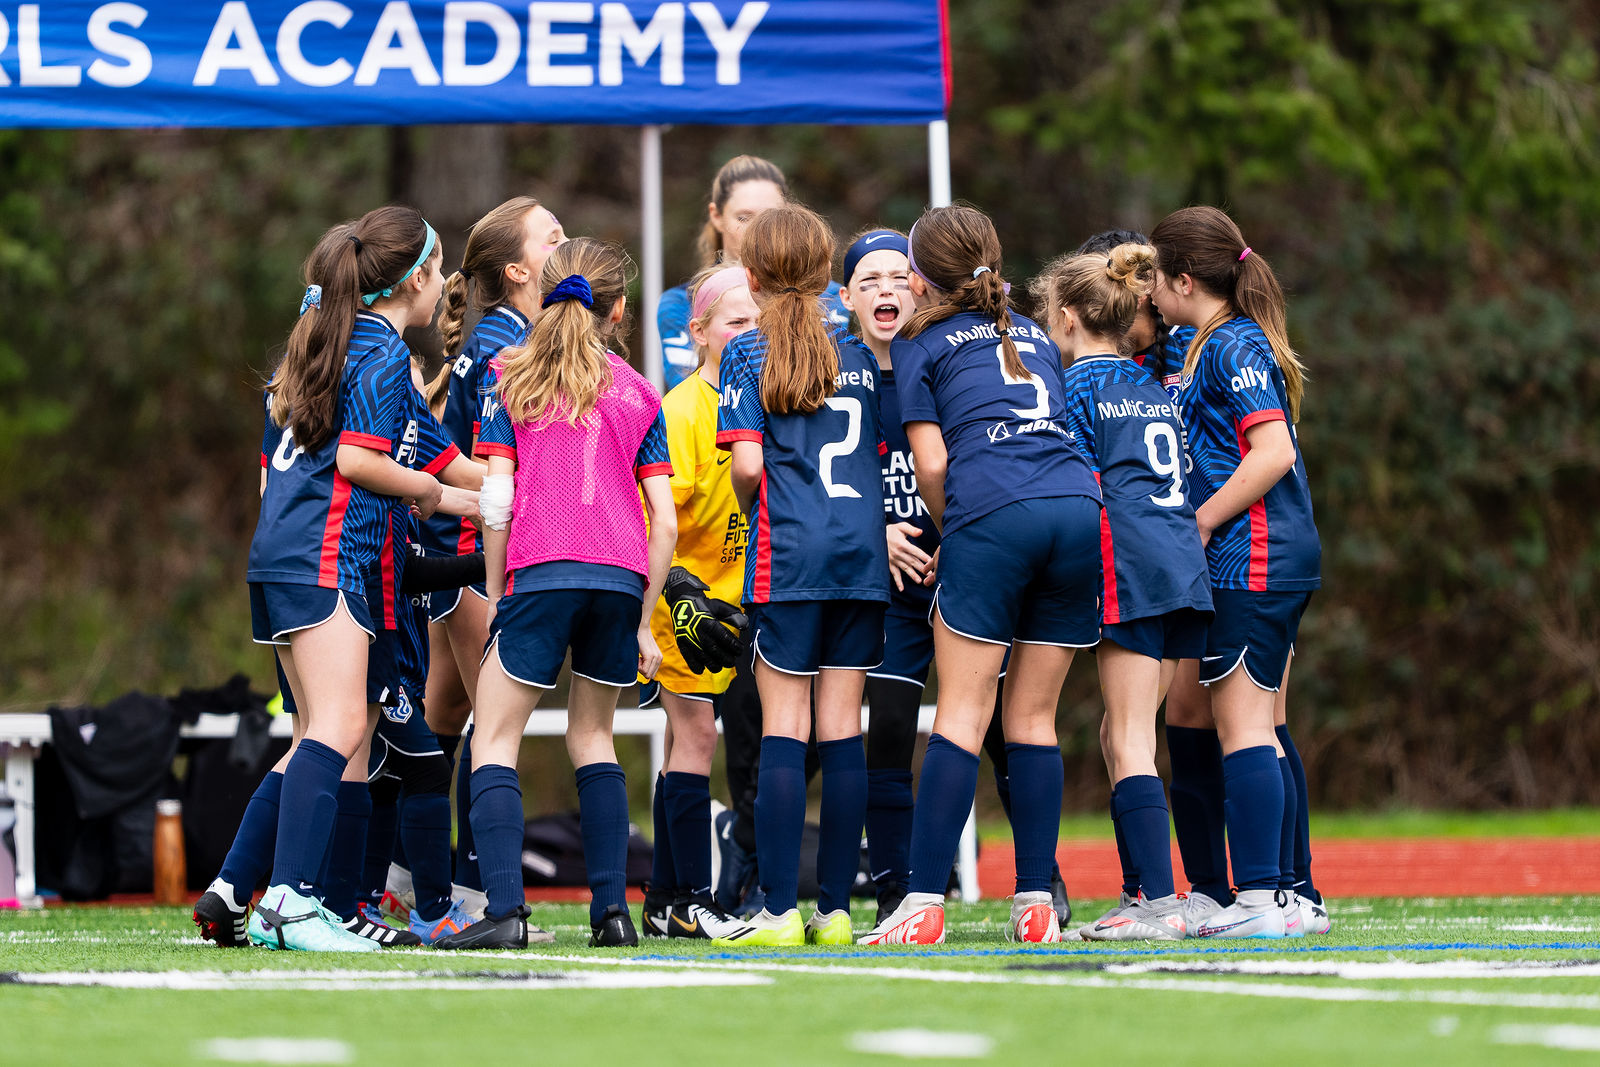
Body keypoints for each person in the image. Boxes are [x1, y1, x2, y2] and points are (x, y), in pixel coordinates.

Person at [860, 205, 1102, 947]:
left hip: (996, 514)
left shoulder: (919, 338)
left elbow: (932, 464)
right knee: (1032, 721)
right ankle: (1036, 904)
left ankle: (921, 903)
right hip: (1077, 510)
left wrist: (956, 526)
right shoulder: (1031, 331)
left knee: (962, 717)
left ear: (920, 279)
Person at [435, 238, 676, 950]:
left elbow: (497, 499)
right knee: (593, 738)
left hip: (540, 570)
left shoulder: (510, 378)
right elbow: (664, 521)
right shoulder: (640, 391)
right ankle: (612, 913)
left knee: (494, 738)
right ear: (619, 310)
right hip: (619, 578)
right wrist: (642, 619)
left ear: (543, 297)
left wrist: (494, 588)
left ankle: (505, 911)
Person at [239, 206, 451, 952]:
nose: (444, 284)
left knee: (316, 729)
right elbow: (361, 462)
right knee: (340, 725)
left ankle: (289, 899)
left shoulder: (324, 339)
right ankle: (289, 901)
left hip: (279, 554)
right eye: (438, 269)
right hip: (325, 557)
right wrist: (426, 490)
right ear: (413, 280)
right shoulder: (384, 351)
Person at [710, 205, 890, 948]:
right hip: (863, 556)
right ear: (826, 275)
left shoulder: (747, 351)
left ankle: (779, 910)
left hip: (789, 557)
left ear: (751, 277)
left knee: (786, 728)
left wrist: (752, 504)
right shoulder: (861, 353)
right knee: (843, 729)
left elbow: (749, 466)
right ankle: (836, 913)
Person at [1149, 205, 1323, 938]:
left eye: (1156, 276)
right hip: (1250, 558)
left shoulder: (1232, 343)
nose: (1150, 290)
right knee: (1248, 720)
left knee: (1247, 723)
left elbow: (1273, 451)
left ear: (1185, 280)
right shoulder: (1201, 342)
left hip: (1255, 555)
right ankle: (1289, 894)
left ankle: (1264, 897)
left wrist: (1203, 519)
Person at [1035, 244, 1213, 940]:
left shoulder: (1075, 388)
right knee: (1123, 731)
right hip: (1182, 568)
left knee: (1133, 735)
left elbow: (1076, 486)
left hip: (1131, 568)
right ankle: (1143, 890)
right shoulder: (1150, 384)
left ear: (1070, 318)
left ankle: (1159, 903)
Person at [418, 197, 567, 917]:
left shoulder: (515, 338)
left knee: (444, 713)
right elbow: (487, 468)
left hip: (466, 547)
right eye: (553, 238)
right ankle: (476, 896)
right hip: (477, 552)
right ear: (517, 270)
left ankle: (407, 878)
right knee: (494, 726)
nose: (568, 245)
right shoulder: (508, 347)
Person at [637, 263, 757, 942]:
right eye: (736, 321)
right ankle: (690, 900)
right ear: (700, 333)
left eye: (757, 320)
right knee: (697, 736)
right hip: (681, 599)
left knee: (700, 742)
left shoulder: (763, 399)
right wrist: (680, 596)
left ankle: (661, 899)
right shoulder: (681, 410)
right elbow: (654, 520)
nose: (750, 332)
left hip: (742, 603)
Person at [834, 228, 930, 924]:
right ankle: (894, 889)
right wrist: (877, 534)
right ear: (846, 297)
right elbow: (815, 480)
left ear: (920, 287)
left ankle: (1041, 881)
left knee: (1001, 730)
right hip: (885, 586)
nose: (886, 290)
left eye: (899, 277)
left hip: (960, 573)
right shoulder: (835, 372)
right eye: (870, 281)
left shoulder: (946, 364)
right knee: (889, 730)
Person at [658, 155, 847, 390]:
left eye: (770, 217)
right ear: (716, 216)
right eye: (744, 218)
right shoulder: (679, 302)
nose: (758, 231)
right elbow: (687, 389)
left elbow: (840, 379)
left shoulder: (831, 295)